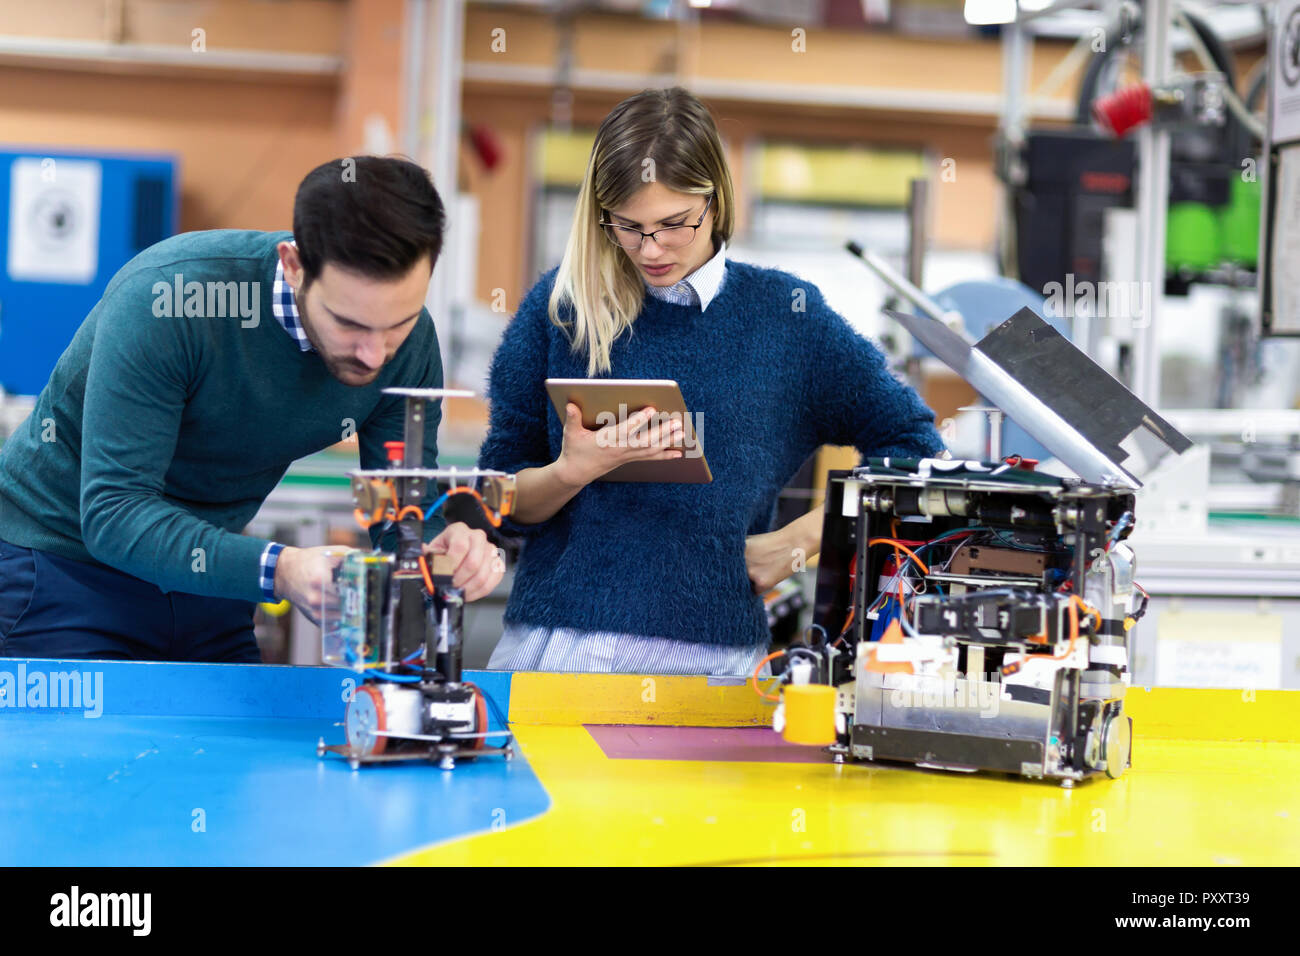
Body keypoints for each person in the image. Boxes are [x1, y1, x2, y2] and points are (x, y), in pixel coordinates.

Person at [477, 87, 944, 676]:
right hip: (551, 652)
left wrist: (801, 540)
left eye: (675, 223)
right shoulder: (560, 307)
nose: (651, 249)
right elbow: (499, 498)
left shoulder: (786, 316)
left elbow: (916, 451)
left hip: (710, 666)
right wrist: (570, 472)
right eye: (628, 226)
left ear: (715, 200)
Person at [0, 156, 501, 662]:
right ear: (293, 264)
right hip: (60, 566)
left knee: (241, 739)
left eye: (399, 322)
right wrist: (281, 570)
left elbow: (402, 514)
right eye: (349, 323)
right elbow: (115, 512)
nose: (375, 353)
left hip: (207, 578)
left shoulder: (412, 345)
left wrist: (441, 550)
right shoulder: (170, 300)